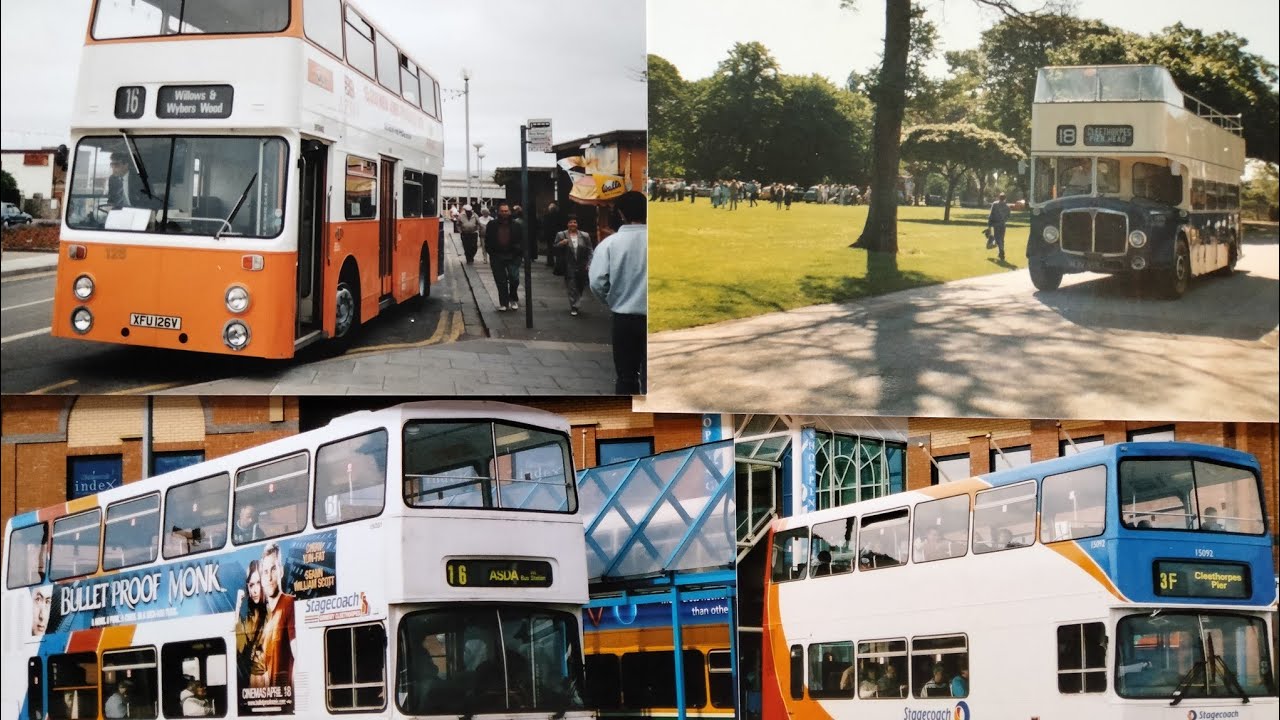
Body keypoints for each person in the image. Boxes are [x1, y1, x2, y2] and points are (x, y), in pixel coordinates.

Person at [589, 191, 647, 395]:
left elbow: (597, 281)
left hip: (624, 317)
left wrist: (612, 299)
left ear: (621, 214)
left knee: (626, 376)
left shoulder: (609, 244)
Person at [257, 543, 296, 692]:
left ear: (281, 571)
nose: (269, 577)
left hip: (286, 701)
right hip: (272, 701)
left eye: (273, 569)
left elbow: (298, 656)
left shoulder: (289, 603)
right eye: (265, 571)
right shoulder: (264, 618)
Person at [484, 202, 525, 312]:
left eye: (506, 211)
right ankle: (504, 303)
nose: (504, 213)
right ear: (498, 212)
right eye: (502, 211)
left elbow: (522, 240)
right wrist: (491, 253)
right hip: (497, 256)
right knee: (500, 281)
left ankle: (513, 299)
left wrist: (519, 253)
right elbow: (487, 240)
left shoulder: (517, 225)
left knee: (514, 278)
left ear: (510, 212)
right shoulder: (492, 224)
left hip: (513, 256)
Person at [235, 559, 268, 689]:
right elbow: (239, 646)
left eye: (258, 583)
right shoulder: (250, 618)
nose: (254, 590)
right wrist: (238, 605)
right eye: (251, 585)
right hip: (254, 680)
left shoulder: (272, 610)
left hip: (268, 677)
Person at [554, 215, 593, 316]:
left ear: (578, 224)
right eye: (570, 222)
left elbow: (590, 250)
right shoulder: (561, 234)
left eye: (574, 222)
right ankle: (574, 306)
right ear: (567, 224)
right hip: (568, 264)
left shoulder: (585, 236)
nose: (572, 224)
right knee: (571, 286)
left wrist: (589, 263)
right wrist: (561, 243)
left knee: (580, 285)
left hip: (582, 264)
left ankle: (577, 300)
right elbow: (555, 247)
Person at [987, 192, 1011, 262]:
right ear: (1005, 198)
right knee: (1001, 239)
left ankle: (1002, 252)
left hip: (996, 224)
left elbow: (991, 215)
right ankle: (1001, 254)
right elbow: (1008, 216)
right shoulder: (1007, 207)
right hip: (1003, 225)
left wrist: (989, 225)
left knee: (997, 239)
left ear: (999, 197)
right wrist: (1004, 220)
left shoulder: (995, 204)